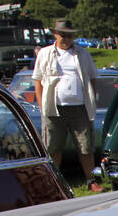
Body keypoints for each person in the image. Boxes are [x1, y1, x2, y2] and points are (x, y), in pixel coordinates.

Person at [33, 18, 103, 191]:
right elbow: (38, 82)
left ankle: (90, 180)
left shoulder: (82, 53)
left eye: (69, 36)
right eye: (63, 35)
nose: (66, 39)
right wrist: (42, 107)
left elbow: (92, 78)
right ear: (55, 34)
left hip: (80, 107)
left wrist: (92, 99)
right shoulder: (45, 53)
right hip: (53, 108)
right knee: (53, 147)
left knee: (86, 146)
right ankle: (53, 182)